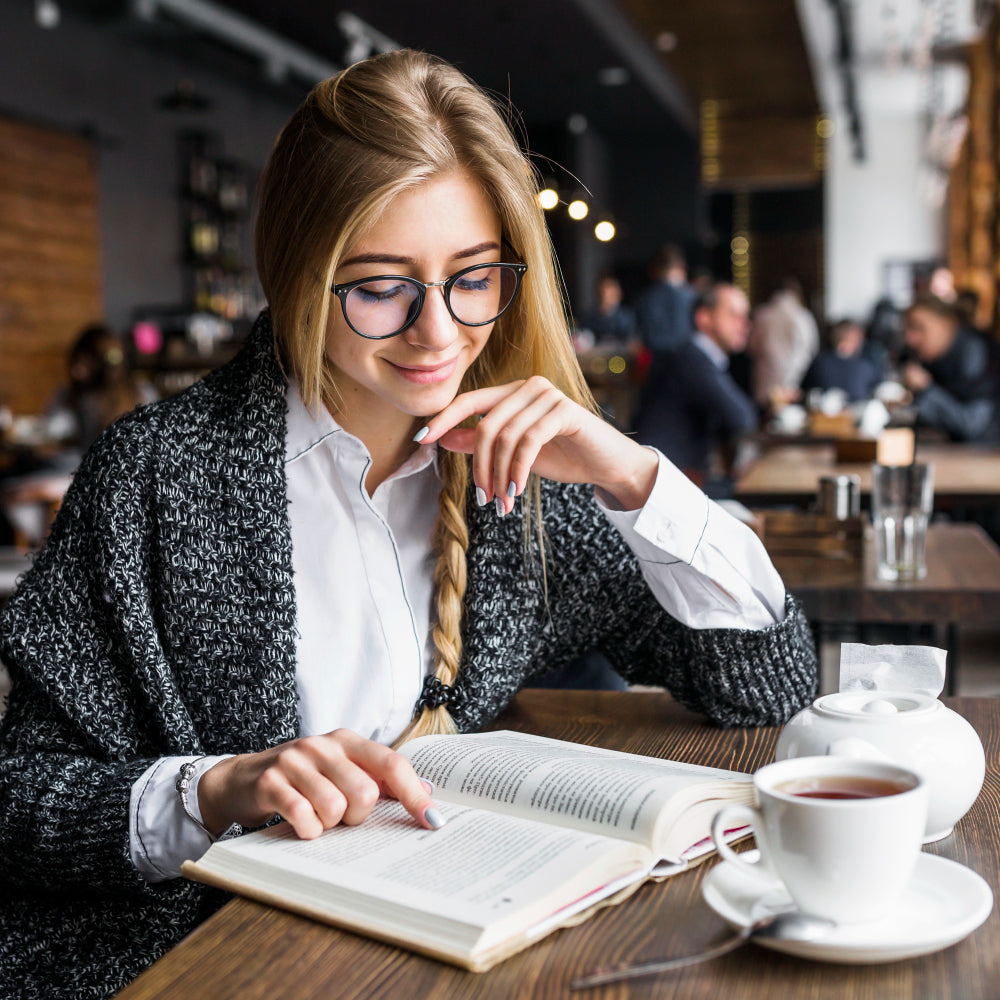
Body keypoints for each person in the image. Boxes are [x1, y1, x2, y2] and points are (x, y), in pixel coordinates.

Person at [0, 51, 817, 999]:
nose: (439, 334)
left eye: (472, 278)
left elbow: (771, 685)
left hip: (437, 950)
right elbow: (21, 799)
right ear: (298, 271)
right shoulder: (151, 476)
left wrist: (632, 475)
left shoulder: (522, 479)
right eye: (383, 286)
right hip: (202, 963)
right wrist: (212, 788)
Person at [632, 283, 759, 497]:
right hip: (660, 484)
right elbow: (742, 418)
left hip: (669, 476)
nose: (744, 324)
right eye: (733, 315)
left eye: (745, 316)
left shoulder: (696, 356)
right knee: (749, 497)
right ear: (704, 318)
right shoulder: (693, 359)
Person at [901, 294, 1000, 443]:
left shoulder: (975, 353)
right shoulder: (934, 360)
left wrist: (925, 389)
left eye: (918, 327)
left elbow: (972, 425)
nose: (910, 339)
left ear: (946, 323)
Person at [748, 277, 819, 408]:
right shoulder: (803, 316)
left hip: (765, 378)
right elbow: (812, 349)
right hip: (794, 381)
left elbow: (752, 346)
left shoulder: (762, 315)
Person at [633, 244, 696, 354]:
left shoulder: (644, 298)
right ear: (681, 266)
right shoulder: (692, 296)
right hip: (688, 360)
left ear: (655, 269)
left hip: (656, 362)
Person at [801, 319, 881, 402]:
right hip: (853, 413)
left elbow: (804, 389)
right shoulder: (864, 366)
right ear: (856, 340)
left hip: (822, 412)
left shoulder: (819, 362)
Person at [582, 271, 636, 345]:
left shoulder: (626, 317)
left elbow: (631, 341)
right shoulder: (590, 318)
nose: (607, 300)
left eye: (612, 295)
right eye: (604, 295)